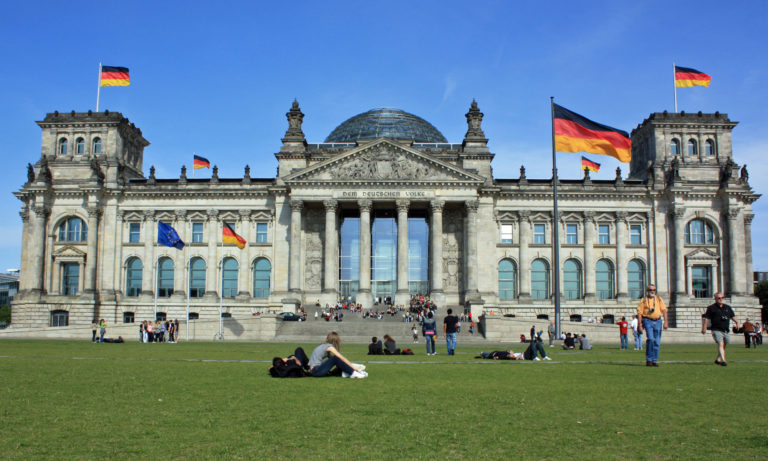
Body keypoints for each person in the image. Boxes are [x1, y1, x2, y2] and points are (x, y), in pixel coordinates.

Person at [701, 293, 739, 366]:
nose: (721, 299)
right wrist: (704, 328)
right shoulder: (711, 308)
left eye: (722, 297)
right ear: (715, 299)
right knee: (720, 344)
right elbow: (706, 319)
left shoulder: (728, 307)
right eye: (719, 298)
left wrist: (737, 322)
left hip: (725, 329)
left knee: (724, 344)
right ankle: (724, 360)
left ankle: (718, 359)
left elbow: (733, 316)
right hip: (716, 329)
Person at [637, 284, 668, 367]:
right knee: (650, 339)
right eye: (650, 290)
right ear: (647, 291)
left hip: (658, 321)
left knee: (657, 342)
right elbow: (639, 313)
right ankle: (649, 359)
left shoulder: (658, 299)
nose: (652, 291)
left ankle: (654, 360)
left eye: (654, 290)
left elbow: (664, 310)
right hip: (647, 321)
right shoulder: (643, 300)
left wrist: (666, 322)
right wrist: (640, 325)